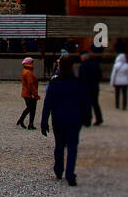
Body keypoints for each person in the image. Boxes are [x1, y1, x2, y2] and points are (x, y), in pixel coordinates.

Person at [41, 54, 89, 186]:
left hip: (59, 119)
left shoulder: (54, 83)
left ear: (59, 66)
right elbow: (85, 101)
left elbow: (48, 103)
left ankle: (58, 169)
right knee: (72, 147)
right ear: (73, 67)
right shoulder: (78, 82)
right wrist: (87, 117)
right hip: (74, 119)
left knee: (59, 145)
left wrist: (44, 120)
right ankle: (70, 174)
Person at [78, 51, 104, 126]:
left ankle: (87, 120)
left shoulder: (82, 66)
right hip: (95, 87)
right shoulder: (95, 64)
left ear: (83, 58)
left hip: (86, 88)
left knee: (86, 105)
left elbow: (81, 78)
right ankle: (99, 118)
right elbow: (100, 76)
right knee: (95, 103)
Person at [17, 57, 40, 129]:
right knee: (31, 109)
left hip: (26, 93)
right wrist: (35, 94)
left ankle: (24, 121)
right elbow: (31, 84)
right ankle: (26, 122)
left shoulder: (25, 71)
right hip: (29, 94)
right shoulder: (29, 72)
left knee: (30, 108)